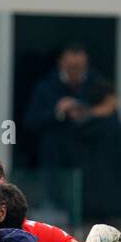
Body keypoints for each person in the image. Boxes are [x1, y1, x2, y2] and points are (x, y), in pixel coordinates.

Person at [23, 42, 95, 214]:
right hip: (53, 166)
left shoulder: (95, 86)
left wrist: (85, 112)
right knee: (54, 212)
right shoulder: (46, 87)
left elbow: (108, 116)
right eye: (72, 67)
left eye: (80, 67)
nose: (76, 72)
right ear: (61, 64)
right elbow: (31, 122)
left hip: (88, 167)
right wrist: (58, 112)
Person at [74, 79, 121, 228]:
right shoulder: (119, 130)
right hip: (115, 206)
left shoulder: (77, 131)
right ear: (109, 99)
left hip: (84, 206)